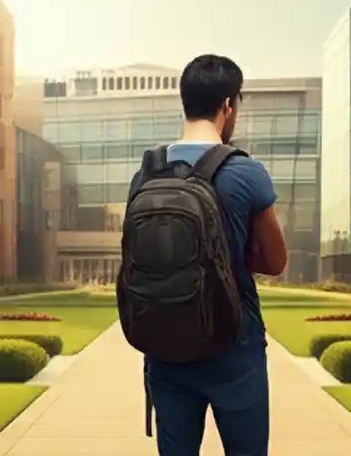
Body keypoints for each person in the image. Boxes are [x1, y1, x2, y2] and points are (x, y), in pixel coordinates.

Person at [129, 54, 288, 456]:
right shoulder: (245, 172)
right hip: (234, 345)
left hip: (165, 343)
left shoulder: (147, 172)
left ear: (185, 101)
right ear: (228, 106)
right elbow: (276, 261)